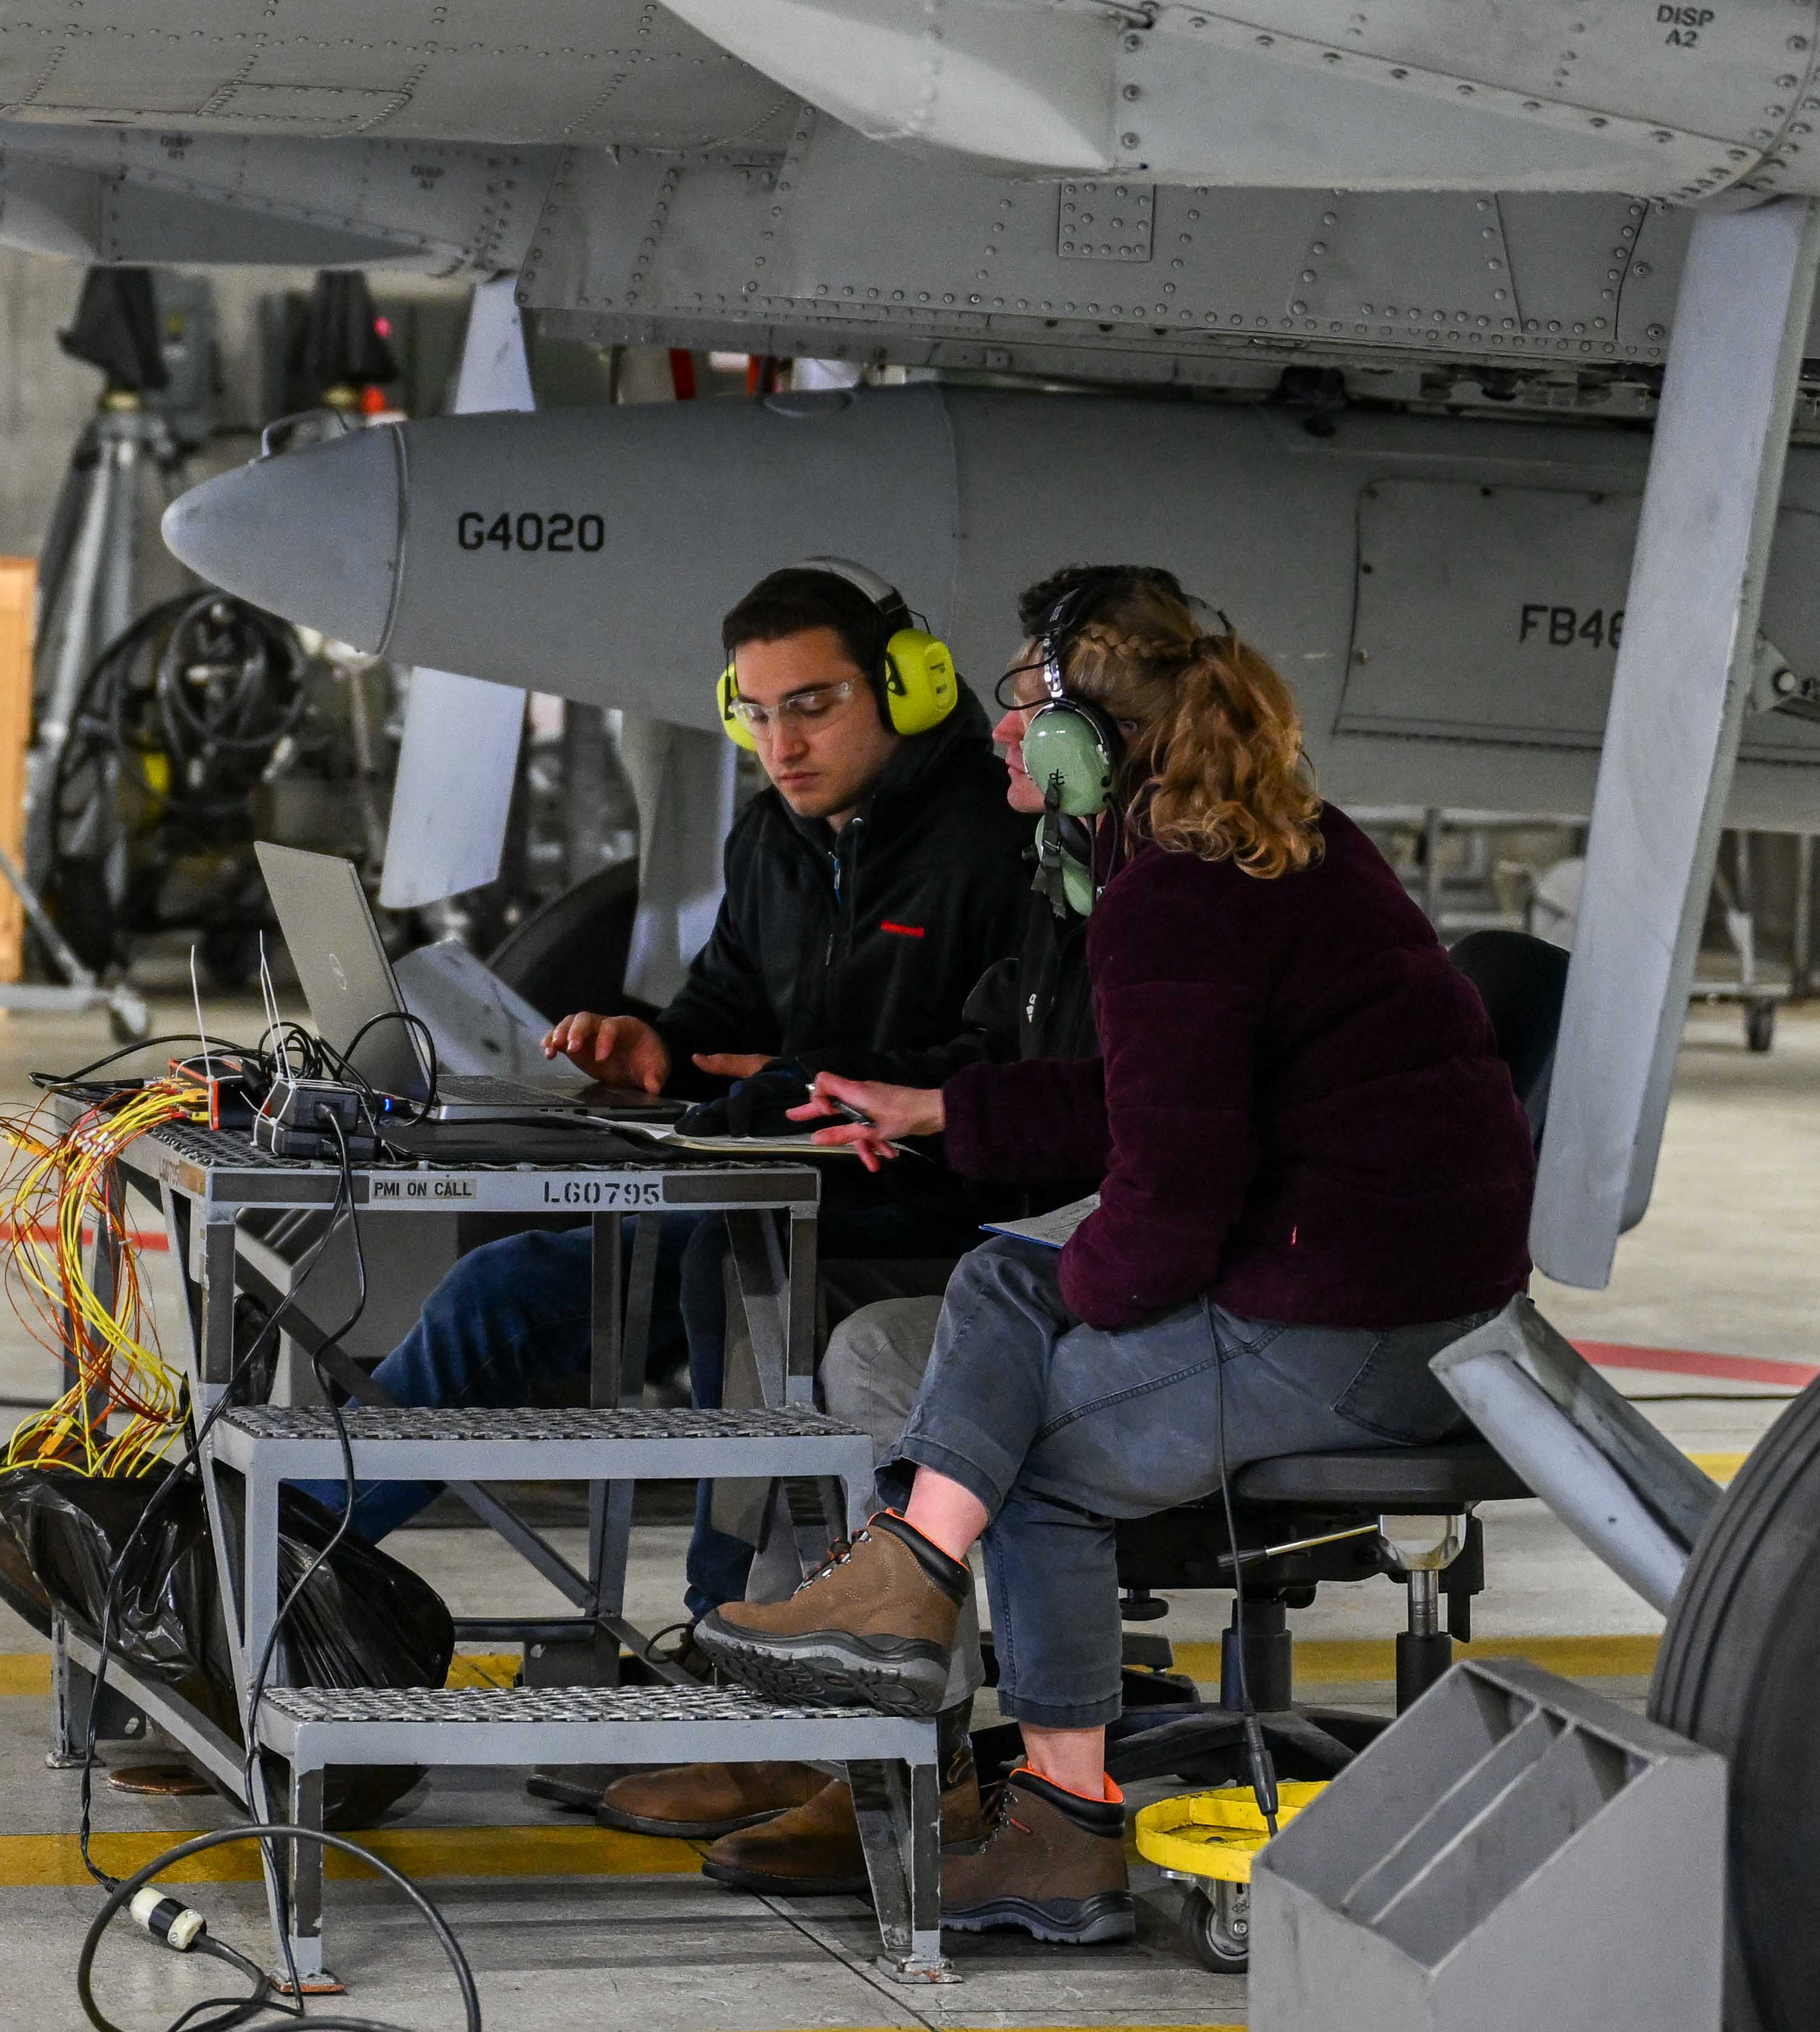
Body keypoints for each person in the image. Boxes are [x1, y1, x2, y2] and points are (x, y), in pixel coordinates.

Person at [693, 564, 1535, 1945]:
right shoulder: (1274, 846)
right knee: (999, 1285)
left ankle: (1057, 1824)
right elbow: (1162, 1094)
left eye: (1027, 704)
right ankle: (912, 1580)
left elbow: (1165, 1207)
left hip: (1345, 1341)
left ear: (1092, 739)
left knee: (1024, 1452)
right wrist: (940, 1109)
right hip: (1415, 1312)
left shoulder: (1169, 898)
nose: (1003, 731)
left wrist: (1059, 1342)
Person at [327, 561, 1031, 1625]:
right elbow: (726, 1006)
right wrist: (652, 1042)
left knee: (724, 1272)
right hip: (766, 1198)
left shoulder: (993, 843)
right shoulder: (773, 841)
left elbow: (1009, 1074)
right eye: (754, 715)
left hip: (927, 1210)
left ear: (904, 688)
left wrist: (802, 1084)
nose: (780, 746)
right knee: (501, 1290)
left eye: (811, 706)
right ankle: (270, 1559)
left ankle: (722, 1628)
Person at [628, 570, 1112, 1896]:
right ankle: (802, 1711)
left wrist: (904, 1103)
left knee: (843, 1330)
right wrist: (675, 1053)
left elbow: (1102, 1129)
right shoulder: (1065, 874)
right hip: (958, 1217)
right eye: (759, 714)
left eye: (1034, 711)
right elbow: (1041, 1077)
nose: (1003, 733)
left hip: (1019, 1237)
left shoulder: (1076, 875)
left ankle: (868, 1745)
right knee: (773, 1295)